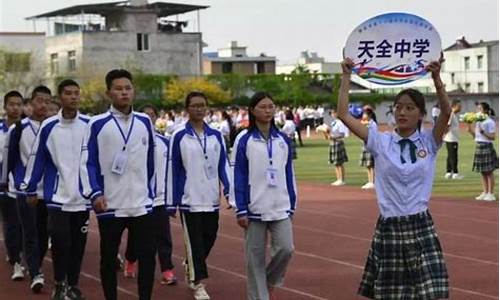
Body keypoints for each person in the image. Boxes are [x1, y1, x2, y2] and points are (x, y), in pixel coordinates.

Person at [338, 56, 450, 299]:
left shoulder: (429, 142)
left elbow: (446, 113)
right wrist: (346, 77)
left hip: (421, 225)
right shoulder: (380, 140)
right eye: (398, 107)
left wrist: (437, 79)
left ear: (421, 114)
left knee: (433, 293)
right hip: (390, 226)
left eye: (410, 108)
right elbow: (343, 114)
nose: (402, 112)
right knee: (392, 295)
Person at [79, 69, 157, 300]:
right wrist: (94, 193)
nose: (124, 92)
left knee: (147, 256)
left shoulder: (144, 121)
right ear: (108, 93)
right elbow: (88, 161)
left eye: (128, 88)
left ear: (133, 91)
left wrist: (150, 192)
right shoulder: (96, 123)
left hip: (141, 203)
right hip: (110, 204)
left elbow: (151, 160)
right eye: (118, 88)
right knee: (109, 258)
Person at [21, 79, 90, 300]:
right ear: (60, 98)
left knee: (78, 245)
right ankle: (60, 283)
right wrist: (30, 188)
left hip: (83, 197)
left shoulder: (89, 124)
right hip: (57, 197)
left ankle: (73, 285)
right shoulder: (49, 126)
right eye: (68, 93)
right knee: (61, 243)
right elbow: (37, 158)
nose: (73, 97)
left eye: (76, 93)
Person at [233, 92, 296, 300]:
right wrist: (240, 207)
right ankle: (259, 296)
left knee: (286, 249)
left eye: (271, 106)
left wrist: (292, 203)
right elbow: (239, 175)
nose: (268, 110)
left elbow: (288, 173)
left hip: (281, 205)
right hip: (254, 208)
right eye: (263, 107)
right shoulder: (244, 139)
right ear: (252, 110)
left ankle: (268, 282)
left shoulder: (283, 140)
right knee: (255, 259)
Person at [168, 91, 230, 300]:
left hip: (211, 198)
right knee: (194, 241)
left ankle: (192, 263)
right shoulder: (179, 136)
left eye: (202, 105)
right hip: (189, 200)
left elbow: (223, 165)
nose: (199, 109)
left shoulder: (216, 135)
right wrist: (172, 201)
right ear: (187, 109)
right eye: (194, 105)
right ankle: (197, 282)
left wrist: (229, 192)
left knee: (209, 238)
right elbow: (173, 170)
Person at [2, 85, 52, 294]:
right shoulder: (19, 129)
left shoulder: (53, 127)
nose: (43, 105)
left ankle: (34, 264)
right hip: (24, 191)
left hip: (47, 192)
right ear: (31, 103)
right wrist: (11, 183)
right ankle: (35, 272)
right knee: (29, 233)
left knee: (43, 233)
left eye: (47, 101)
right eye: (39, 100)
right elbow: (10, 160)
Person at [122, 104, 177, 285]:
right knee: (136, 236)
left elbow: (172, 171)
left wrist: (171, 198)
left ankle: (167, 269)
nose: (149, 118)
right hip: (138, 198)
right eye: (145, 115)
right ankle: (131, 259)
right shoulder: (131, 142)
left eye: (152, 115)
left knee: (164, 235)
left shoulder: (165, 143)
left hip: (159, 199)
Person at [0, 91, 23, 281]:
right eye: (12, 104)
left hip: (16, 183)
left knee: (14, 222)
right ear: (5, 107)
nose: (15, 108)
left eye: (19, 104)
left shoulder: (26, 129)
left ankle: (16, 256)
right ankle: (14, 251)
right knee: (9, 222)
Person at [468, 102, 498, 201]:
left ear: (485, 110)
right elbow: (475, 136)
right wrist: (469, 127)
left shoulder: (489, 122)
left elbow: (493, 137)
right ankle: (485, 192)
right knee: (482, 171)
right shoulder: (478, 121)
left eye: (480, 109)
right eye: (477, 109)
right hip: (479, 145)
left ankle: (491, 193)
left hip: (486, 146)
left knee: (489, 171)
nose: (478, 111)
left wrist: (483, 132)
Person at [326, 108, 349, 186]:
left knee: (340, 162)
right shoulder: (333, 122)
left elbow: (342, 134)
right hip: (333, 143)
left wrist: (334, 137)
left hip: (338, 142)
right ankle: (338, 178)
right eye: (331, 113)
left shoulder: (340, 123)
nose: (332, 114)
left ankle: (342, 179)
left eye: (334, 113)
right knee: (335, 163)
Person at [443, 100, 463, 179]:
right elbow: (447, 125)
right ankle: (455, 173)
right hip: (451, 138)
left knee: (450, 156)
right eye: (459, 106)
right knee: (453, 156)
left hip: (452, 138)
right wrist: (445, 134)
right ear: (454, 106)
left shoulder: (453, 114)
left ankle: (448, 172)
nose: (460, 108)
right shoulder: (451, 114)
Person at [359, 109, 377, 189]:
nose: (363, 115)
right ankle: (369, 181)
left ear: (369, 115)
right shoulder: (367, 123)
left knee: (371, 165)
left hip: (370, 145)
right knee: (367, 165)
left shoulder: (372, 123)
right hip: (365, 145)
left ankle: (372, 181)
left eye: (364, 114)